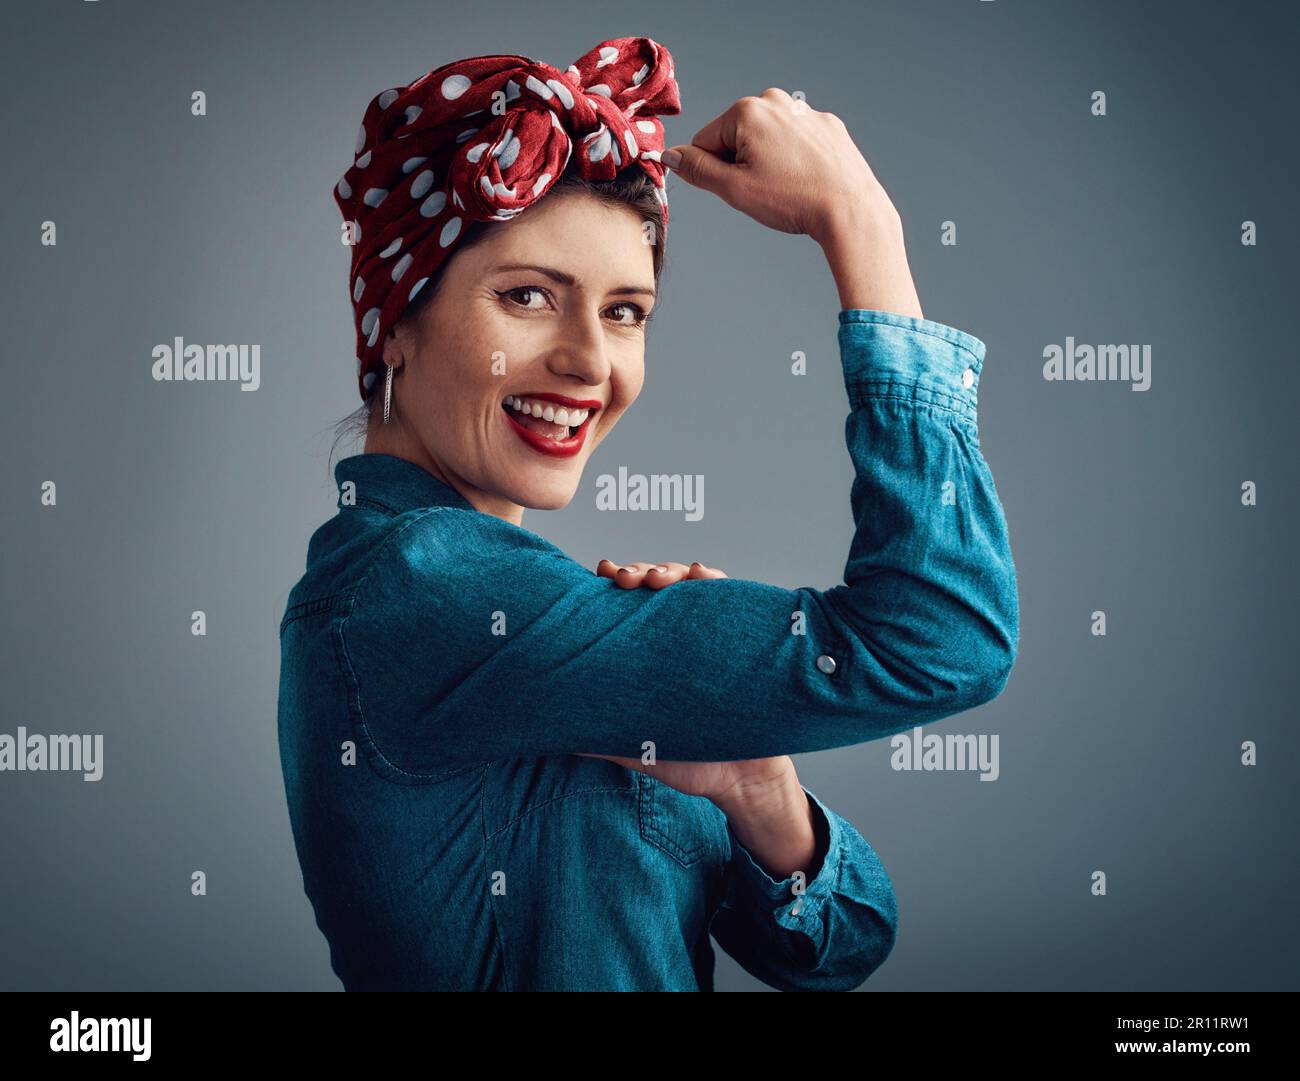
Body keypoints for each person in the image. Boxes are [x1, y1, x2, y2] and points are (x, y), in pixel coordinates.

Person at [277, 36, 1019, 991]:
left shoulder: (529, 618)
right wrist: (862, 226)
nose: (591, 361)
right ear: (397, 329)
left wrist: (758, 787)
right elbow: (945, 634)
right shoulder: (416, 591)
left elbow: (842, 941)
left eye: (626, 311)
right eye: (529, 295)